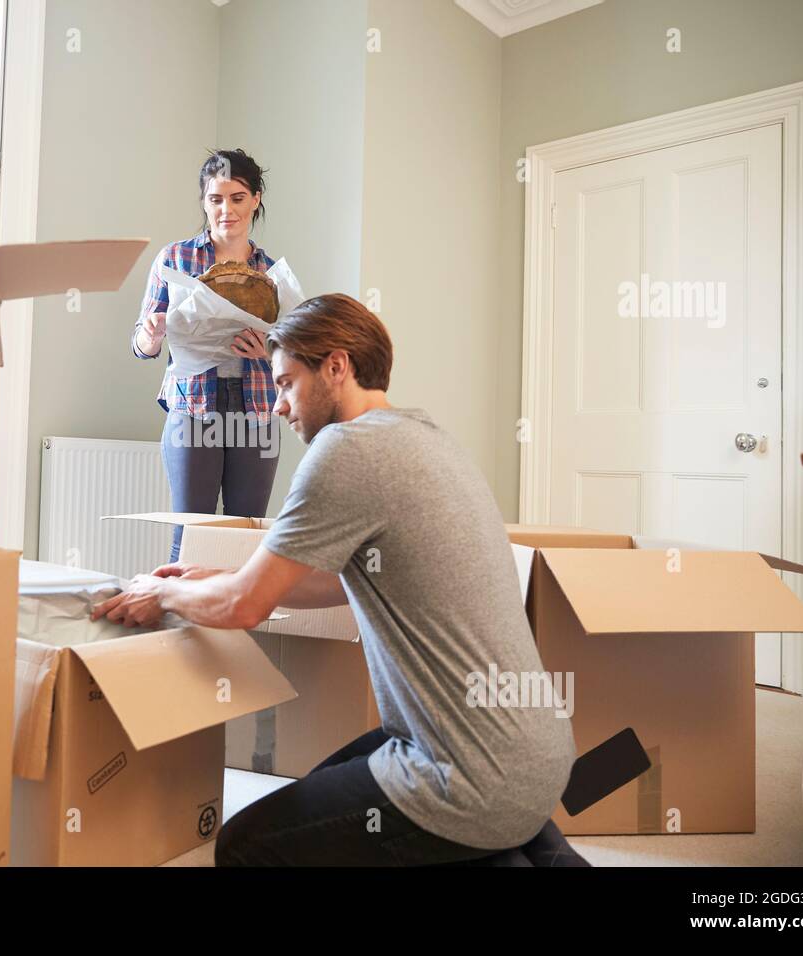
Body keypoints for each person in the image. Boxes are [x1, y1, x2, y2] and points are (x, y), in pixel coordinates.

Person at [95, 293, 577, 865]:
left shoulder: (345, 452)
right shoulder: (425, 438)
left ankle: (489, 832)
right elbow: (346, 578)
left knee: (248, 846)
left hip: (465, 772)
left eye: (285, 383)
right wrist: (232, 573)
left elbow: (245, 608)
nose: (277, 405)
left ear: (337, 366)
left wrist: (164, 591)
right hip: (536, 756)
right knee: (330, 794)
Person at [132, 148, 282, 562]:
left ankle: (235, 627)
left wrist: (268, 354)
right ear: (204, 201)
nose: (226, 210)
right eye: (215, 199)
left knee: (247, 538)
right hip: (192, 406)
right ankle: (183, 626)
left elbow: (290, 353)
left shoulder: (271, 273)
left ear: (255, 198)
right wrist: (151, 333)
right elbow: (142, 346)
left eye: (237, 198)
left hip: (256, 410)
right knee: (191, 538)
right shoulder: (174, 258)